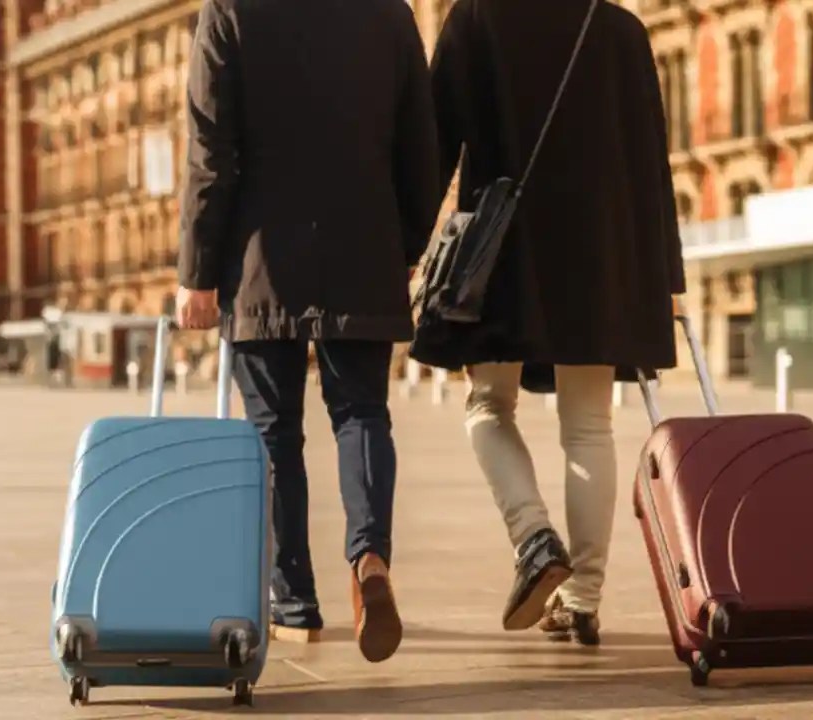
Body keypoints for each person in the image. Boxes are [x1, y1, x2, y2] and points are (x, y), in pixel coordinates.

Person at [175, 0, 441, 664]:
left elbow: (211, 149)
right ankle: (370, 557)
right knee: (361, 413)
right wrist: (404, 244)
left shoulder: (229, 12)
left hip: (260, 259)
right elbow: (421, 146)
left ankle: (293, 602)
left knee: (273, 432)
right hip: (364, 250)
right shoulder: (390, 14)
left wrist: (198, 272)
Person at [415, 0, 686, 646]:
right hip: (602, 260)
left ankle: (533, 536)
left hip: (505, 256)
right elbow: (654, 163)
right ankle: (583, 597)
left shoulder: (475, 19)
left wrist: (399, 244)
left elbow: (432, 152)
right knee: (589, 424)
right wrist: (666, 275)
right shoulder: (621, 29)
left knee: (487, 405)